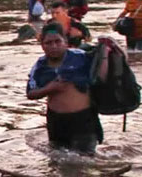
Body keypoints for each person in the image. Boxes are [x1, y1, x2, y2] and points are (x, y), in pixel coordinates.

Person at [26, 22, 110, 155]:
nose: (54, 46)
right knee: (57, 162)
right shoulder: (40, 66)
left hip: (83, 121)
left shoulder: (81, 57)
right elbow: (31, 93)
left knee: (85, 163)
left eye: (57, 41)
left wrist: (105, 52)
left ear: (65, 41)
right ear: (42, 45)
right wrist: (50, 88)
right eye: (48, 43)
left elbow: (101, 77)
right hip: (56, 122)